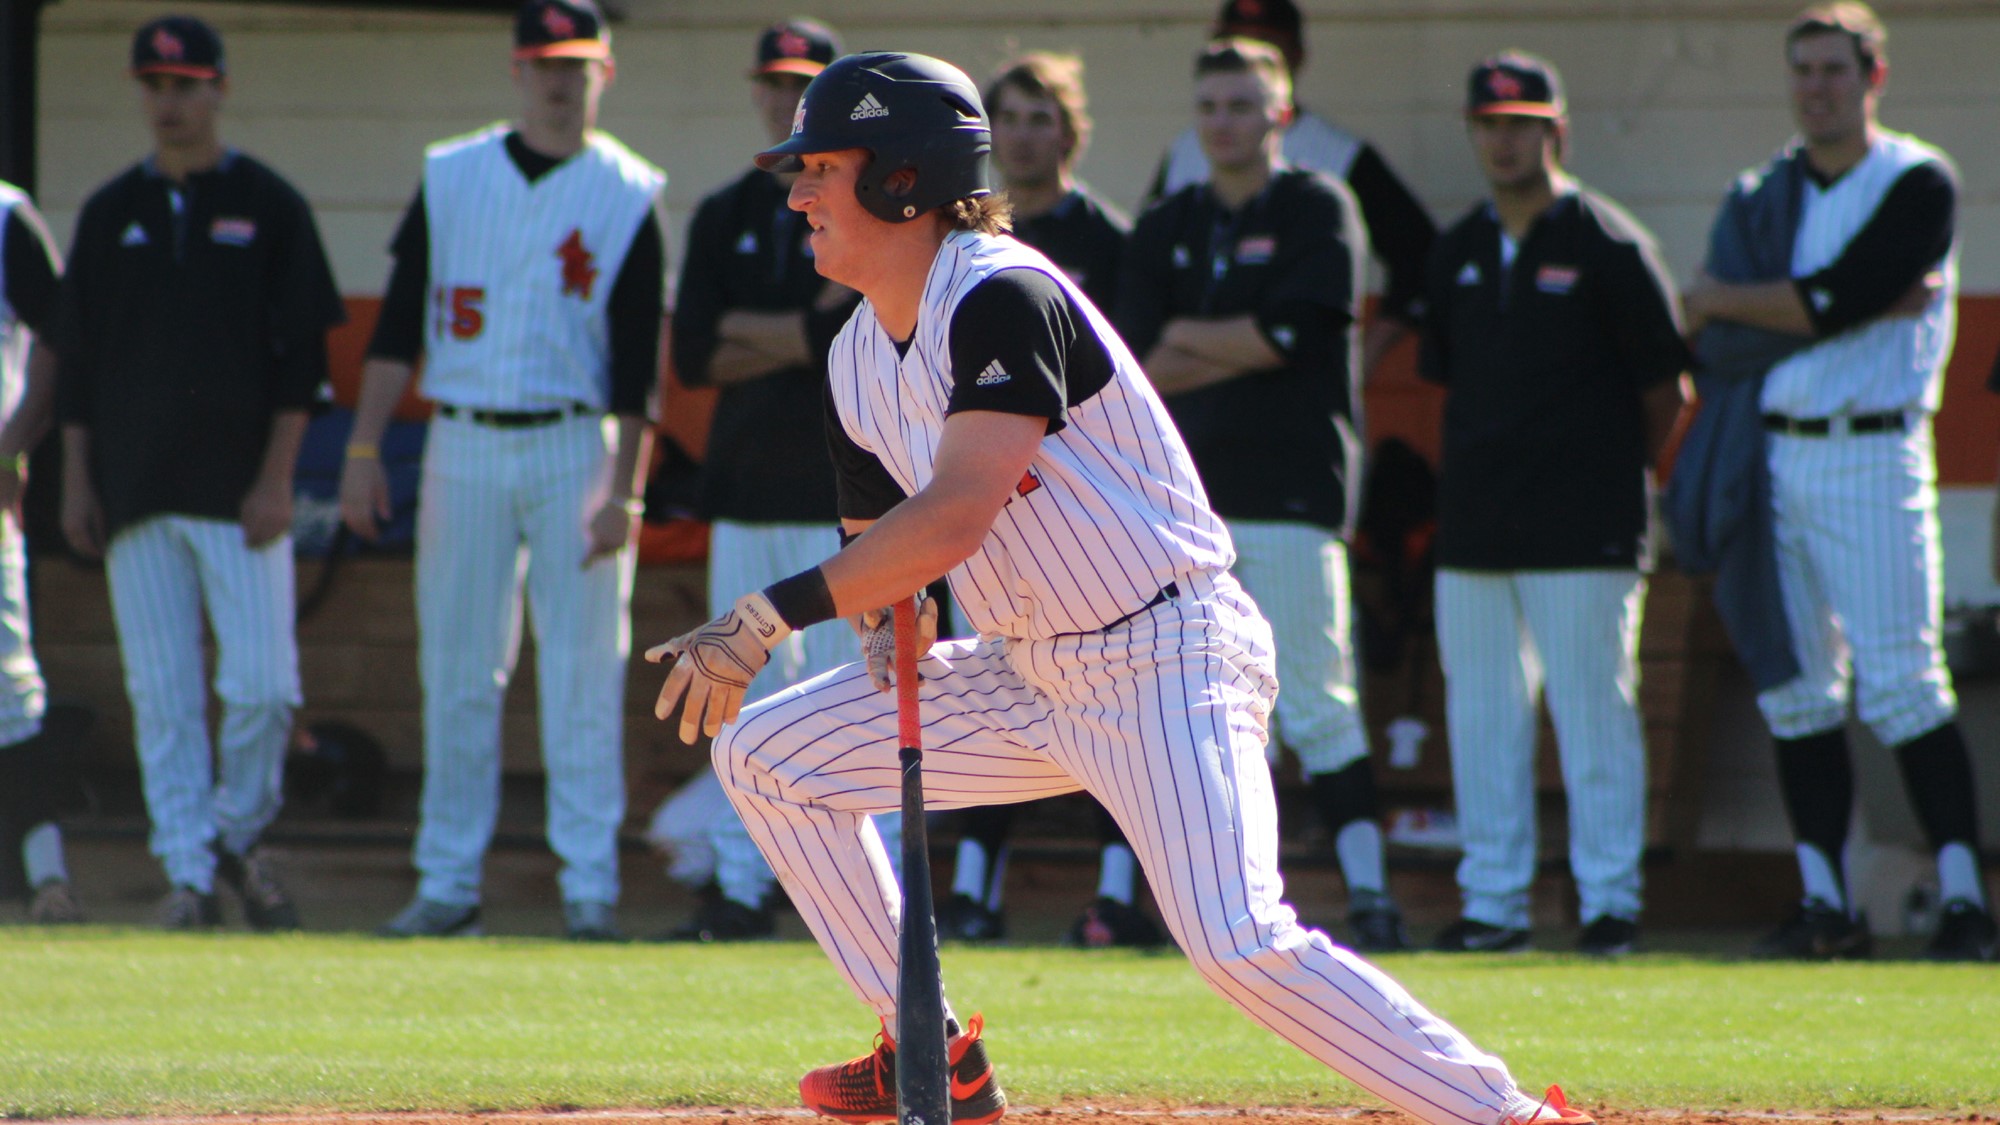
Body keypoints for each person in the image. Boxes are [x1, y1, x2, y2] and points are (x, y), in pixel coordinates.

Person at [649, 50, 1596, 1125]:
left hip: (1163, 652)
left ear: (902, 179)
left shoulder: (1002, 292)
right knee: (768, 757)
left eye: (821, 166)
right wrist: (883, 616)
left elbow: (955, 510)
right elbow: (882, 537)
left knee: (1238, 941)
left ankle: (1507, 1117)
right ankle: (926, 1046)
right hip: (1024, 669)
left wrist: (764, 617)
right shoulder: (856, 351)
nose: (800, 194)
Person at [340, 0, 666, 942]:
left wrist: (631, 492)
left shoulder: (628, 190)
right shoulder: (453, 174)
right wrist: (363, 448)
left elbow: (639, 361)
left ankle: (589, 886)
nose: (560, 80)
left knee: (581, 668)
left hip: (576, 442)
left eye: (577, 63)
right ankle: (447, 881)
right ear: (517, 71)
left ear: (605, 72)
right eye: (543, 62)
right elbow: (399, 328)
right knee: (457, 663)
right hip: (465, 436)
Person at [1682, 1, 1995, 962]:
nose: (1817, 87)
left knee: (1905, 684)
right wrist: (1810, 307)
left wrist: (1772, 305)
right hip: (1772, 452)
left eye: (1834, 70)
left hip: (1874, 449)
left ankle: (1964, 900)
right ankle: (1825, 902)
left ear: (1874, 77)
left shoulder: (1917, 178)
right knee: (1798, 691)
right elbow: (1724, 329)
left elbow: (1824, 298)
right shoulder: (1761, 193)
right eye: (1804, 70)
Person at [1115, 39, 1408, 953]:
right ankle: (1178, 903)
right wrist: (1236, 338)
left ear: (1282, 116)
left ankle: (1373, 896)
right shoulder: (1166, 222)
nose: (1224, 122)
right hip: (1180, 510)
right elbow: (1133, 359)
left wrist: (1196, 345)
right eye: (1210, 107)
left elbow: (1292, 335)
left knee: (1318, 705)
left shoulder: (1322, 205)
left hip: (1292, 498)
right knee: (1181, 706)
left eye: (1244, 105)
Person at [53, 15, 344, 931]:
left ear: (218, 87)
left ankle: (230, 830)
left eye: (185, 84)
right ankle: (188, 873)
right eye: (154, 85)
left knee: (264, 686)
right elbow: (79, 366)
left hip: (241, 492)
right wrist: (74, 480)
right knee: (163, 693)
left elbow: (305, 363)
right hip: (134, 488)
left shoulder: (270, 203)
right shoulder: (108, 213)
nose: (169, 102)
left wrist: (276, 478)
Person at [1419, 52, 1687, 958]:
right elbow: (1447, 378)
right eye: (1490, 123)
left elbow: (1668, 392)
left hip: (1586, 530)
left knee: (1594, 714)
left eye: (1522, 123)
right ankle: (1496, 904)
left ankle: (1609, 899)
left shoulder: (1609, 243)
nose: (1504, 139)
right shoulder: (1455, 250)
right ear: (1474, 132)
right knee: (1484, 720)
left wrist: (1615, 479)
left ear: (1555, 131)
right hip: (1477, 528)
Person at [651, 16, 899, 943]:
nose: (781, 93)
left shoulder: (866, 200)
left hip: (840, 491)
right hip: (746, 484)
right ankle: (746, 887)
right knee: (740, 688)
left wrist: (773, 333)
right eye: (774, 80)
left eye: (803, 79)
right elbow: (699, 355)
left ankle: (847, 897)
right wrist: (796, 328)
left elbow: (852, 324)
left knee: (845, 696)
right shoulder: (724, 212)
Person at [938, 51, 1162, 949]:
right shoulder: (966, 247)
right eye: (1011, 118)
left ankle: (1114, 895)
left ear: (1069, 131)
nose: (1026, 135)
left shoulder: (1109, 237)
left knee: (1112, 701)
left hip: (1091, 504)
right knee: (996, 682)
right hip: (988, 497)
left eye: (1042, 117)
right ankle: (972, 888)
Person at [1150, 0, 1435, 378]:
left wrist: (1363, 357)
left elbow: (1421, 260)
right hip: (1193, 403)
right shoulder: (1184, 151)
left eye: (1265, 44)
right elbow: (1142, 310)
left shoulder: (1342, 156)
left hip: (1293, 403)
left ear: (1296, 57)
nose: (1244, 56)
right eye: (1231, 42)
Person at [0, 181, 81, 925]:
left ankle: (46, 872)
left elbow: (60, 340)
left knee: (8, 685)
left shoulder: (4, 215)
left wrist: (13, 444)